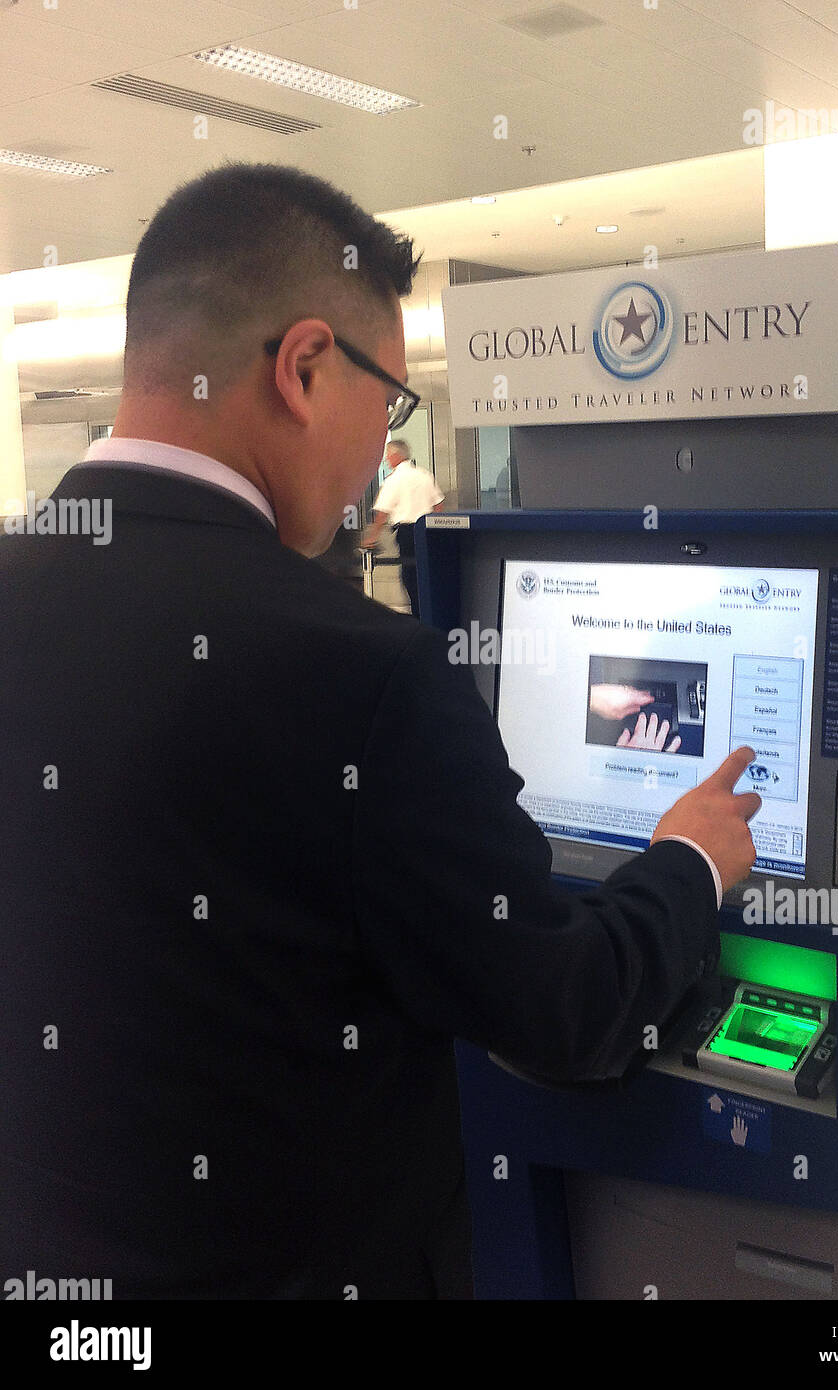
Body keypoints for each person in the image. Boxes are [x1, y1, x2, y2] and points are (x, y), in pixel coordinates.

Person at [0, 162, 760, 1300]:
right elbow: (564, 1011)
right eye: (390, 398)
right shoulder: (359, 671)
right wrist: (689, 858)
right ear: (306, 367)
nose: (381, 445)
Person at [361, 439, 443, 614]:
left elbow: (382, 513)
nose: (387, 460)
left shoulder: (394, 480)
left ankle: (418, 616)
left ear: (396, 456)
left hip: (407, 532)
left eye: (388, 456)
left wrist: (371, 538)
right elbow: (438, 505)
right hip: (428, 530)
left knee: (410, 577)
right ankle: (430, 613)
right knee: (427, 574)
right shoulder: (424, 474)